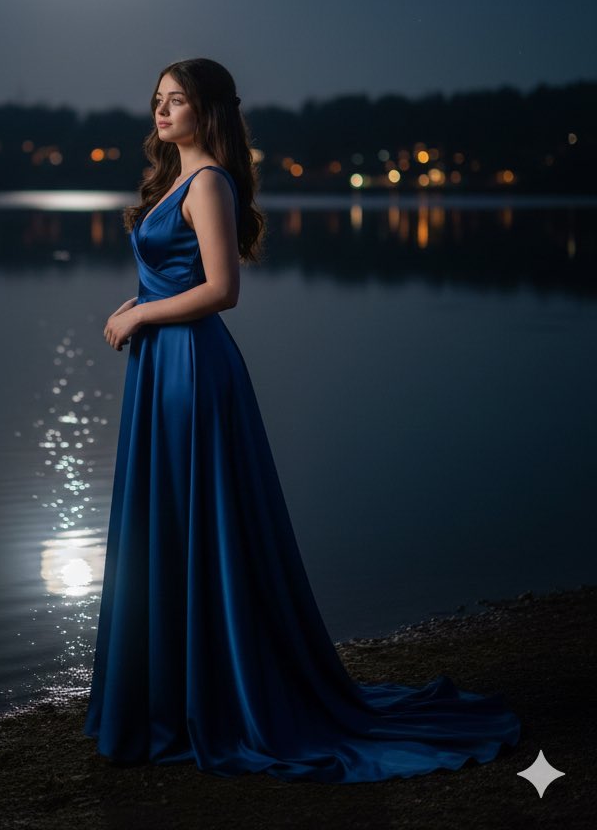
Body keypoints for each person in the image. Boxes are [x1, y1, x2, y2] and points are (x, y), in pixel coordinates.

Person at [82, 57, 521, 782]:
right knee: (169, 526)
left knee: (206, 525)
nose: (161, 112)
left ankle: (225, 695)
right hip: (162, 367)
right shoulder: (170, 183)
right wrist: (137, 306)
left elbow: (222, 291)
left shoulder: (211, 184)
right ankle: (174, 691)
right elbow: (172, 276)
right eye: (158, 100)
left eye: (178, 101)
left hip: (191, 369)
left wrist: (142, 316)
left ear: (209, 111)